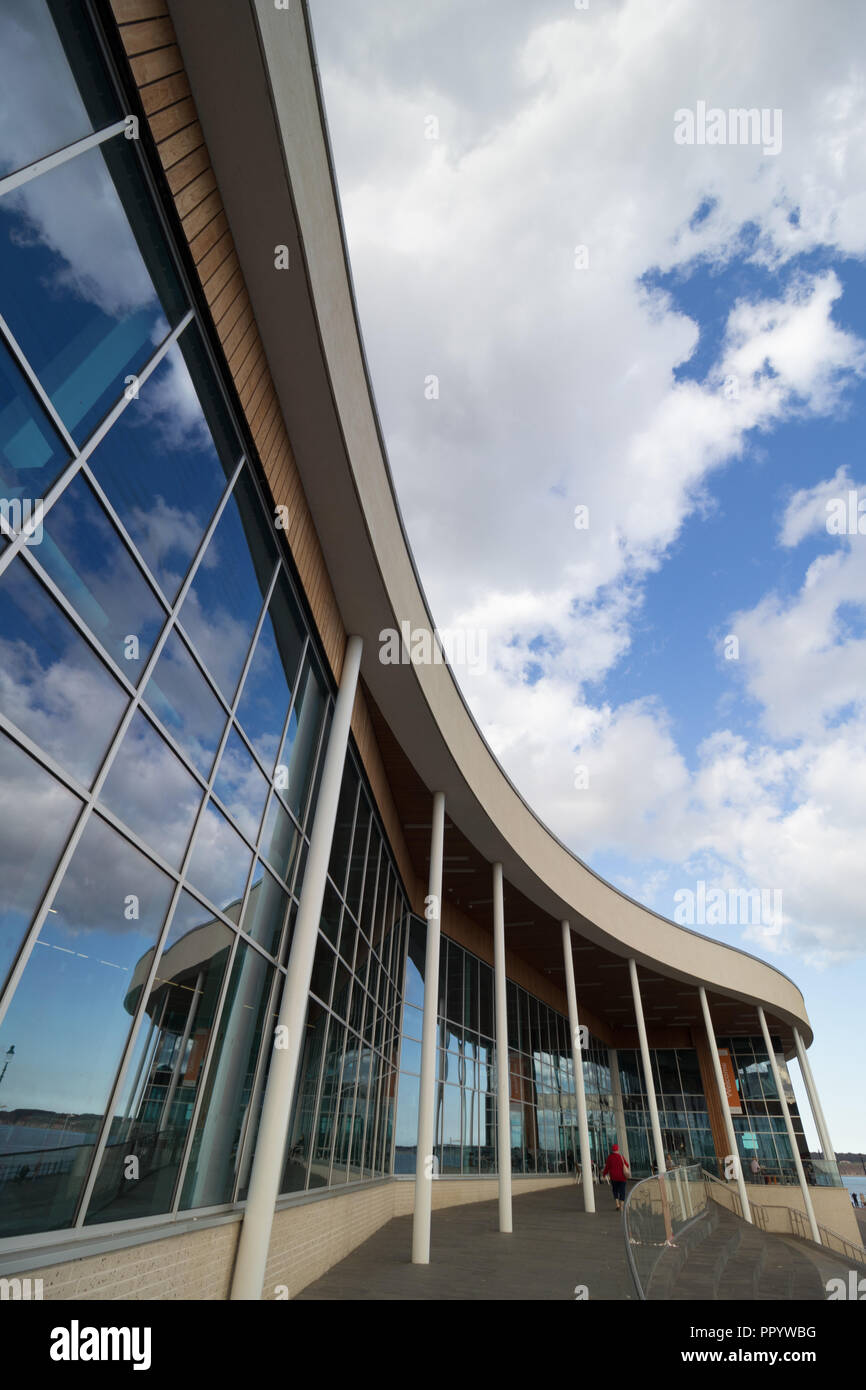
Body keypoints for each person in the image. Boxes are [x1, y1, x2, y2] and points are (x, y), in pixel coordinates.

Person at [602, 1142, 630, 1211]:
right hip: (622, 1177)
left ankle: (617, 1204)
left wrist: (604, 1174)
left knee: (615, 1190)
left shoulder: (609, 1157)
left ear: (612, 1150)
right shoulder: (621, 1157)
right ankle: (622, 1206)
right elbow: (627, 1165)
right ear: (617, 1149)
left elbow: (607, 1167)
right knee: (622, 1191)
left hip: (614, 1177)